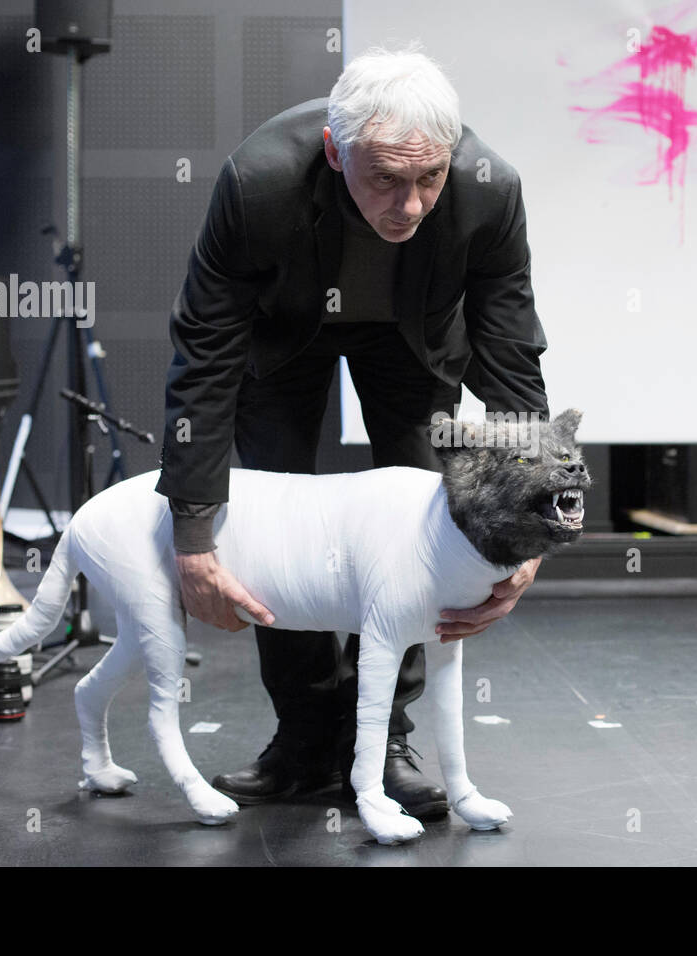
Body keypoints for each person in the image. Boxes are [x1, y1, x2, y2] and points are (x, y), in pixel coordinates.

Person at [155, 46, 550, 820]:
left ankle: (386, 738)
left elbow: (511, 356)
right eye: (386, 180)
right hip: (284, 336)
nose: (409, 205)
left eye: (428, 179)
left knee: (427, 531)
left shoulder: (489, 191)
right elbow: (203, 361)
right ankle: (305, 737)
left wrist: (527, 529)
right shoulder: (257, 182)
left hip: (412, 340)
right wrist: (194, 537)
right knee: (271, 523)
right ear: (337, 153)